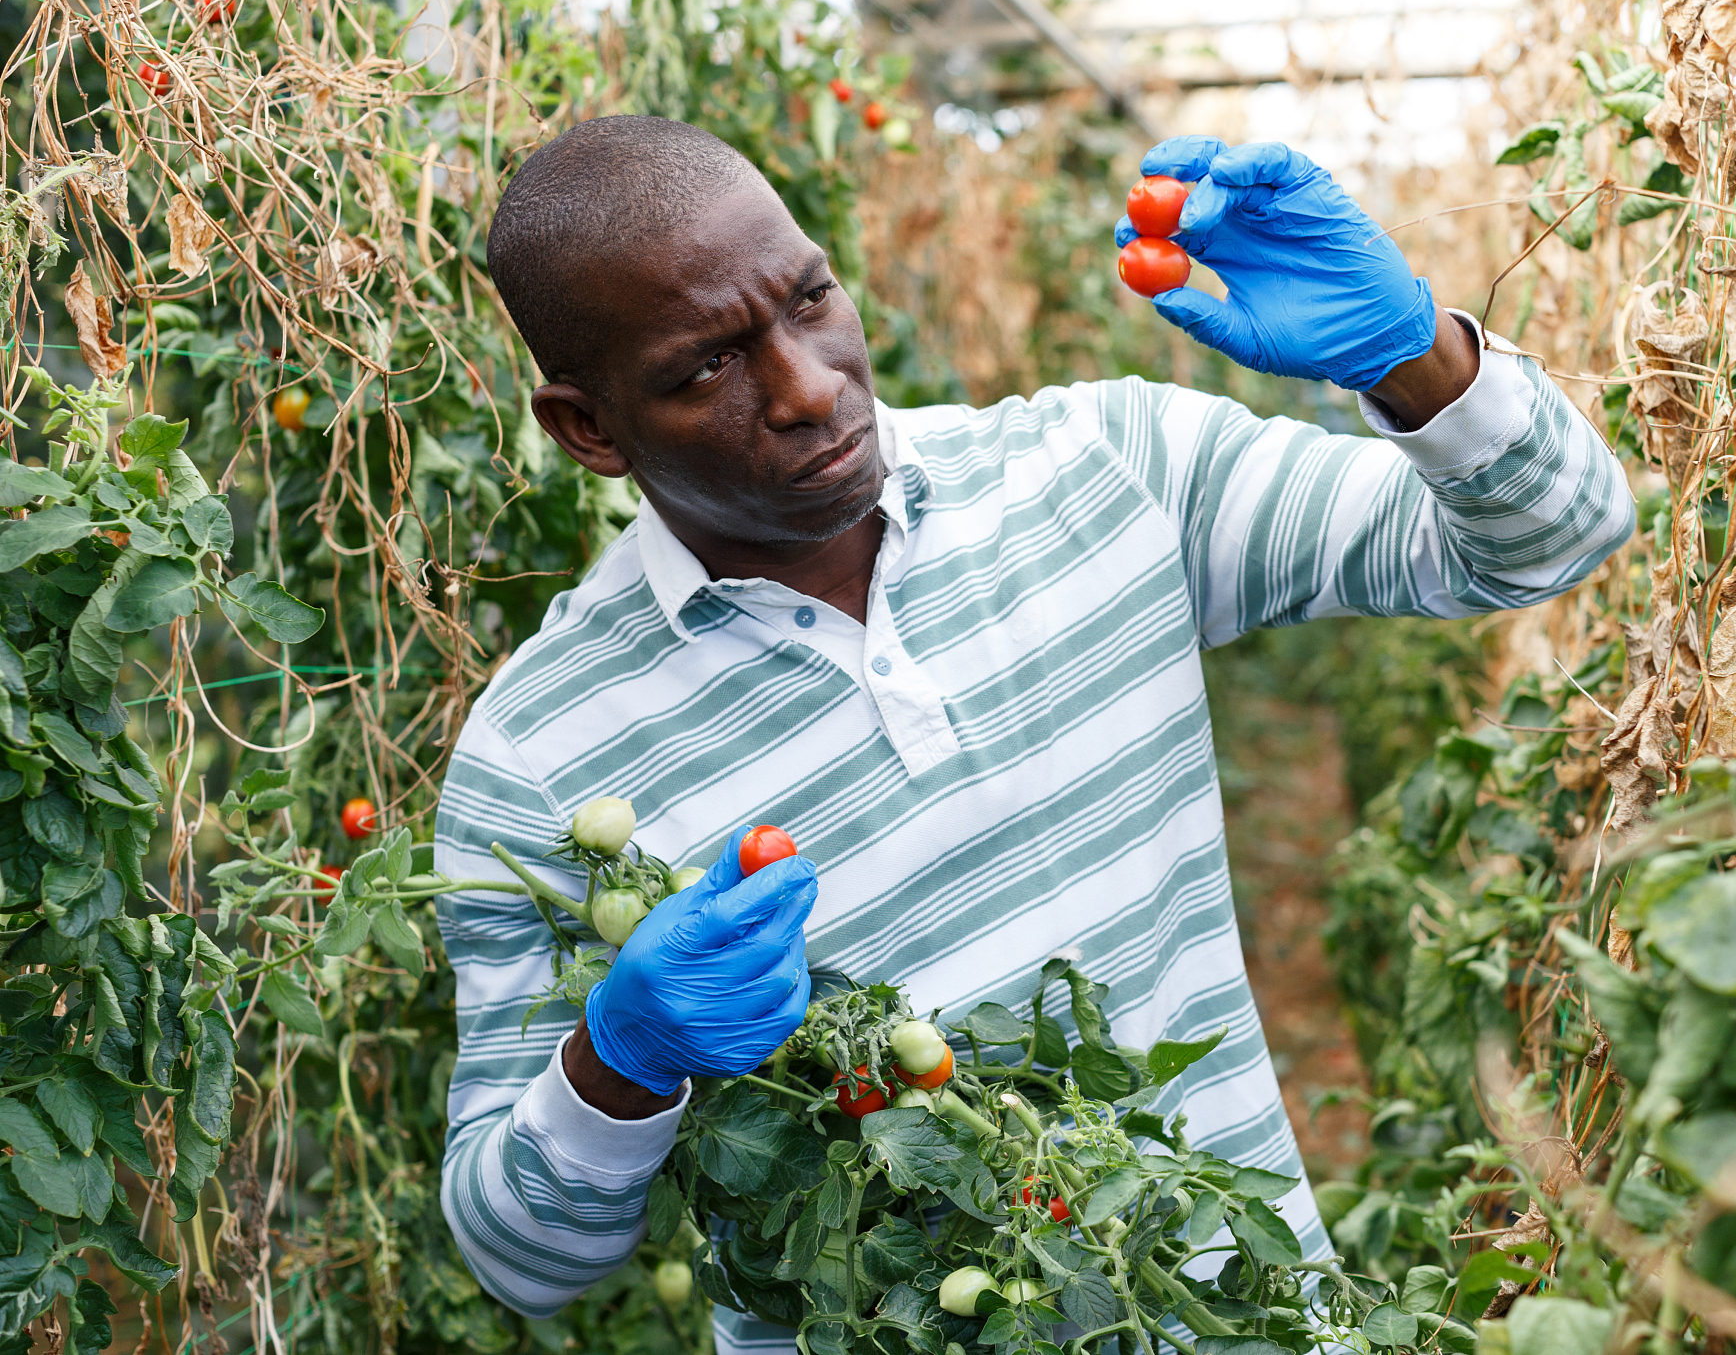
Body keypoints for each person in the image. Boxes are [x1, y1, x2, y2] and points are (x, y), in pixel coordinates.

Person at [434, 114, 1633, 1348]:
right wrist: (616, 1065)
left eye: (808, 301)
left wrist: (1415, 360)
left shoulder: (1100, 470)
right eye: (706, 370)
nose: (807, 387)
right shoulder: (541, 754)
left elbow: (1555, 534)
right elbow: (519, 1260)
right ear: (587, 428)